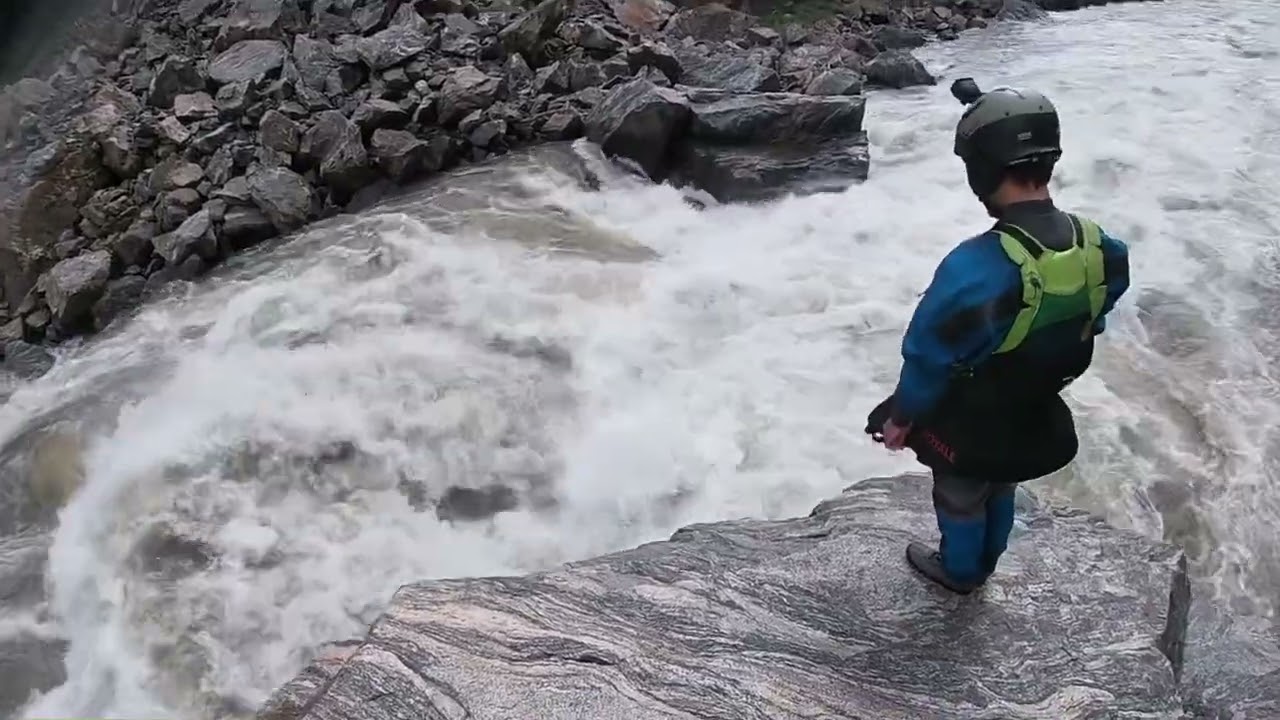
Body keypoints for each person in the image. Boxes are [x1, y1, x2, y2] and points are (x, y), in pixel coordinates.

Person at [865, 79, 1131, 595]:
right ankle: (990, 558)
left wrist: (900, 419)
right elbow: (1098, 307)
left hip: (976, 419)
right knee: (1001, 483)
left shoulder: (975, 267)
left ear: (981, 171)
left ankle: (962, 573)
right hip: (1031, 406)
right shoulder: (1103, 246)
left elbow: (926, 357)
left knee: (961, 493)